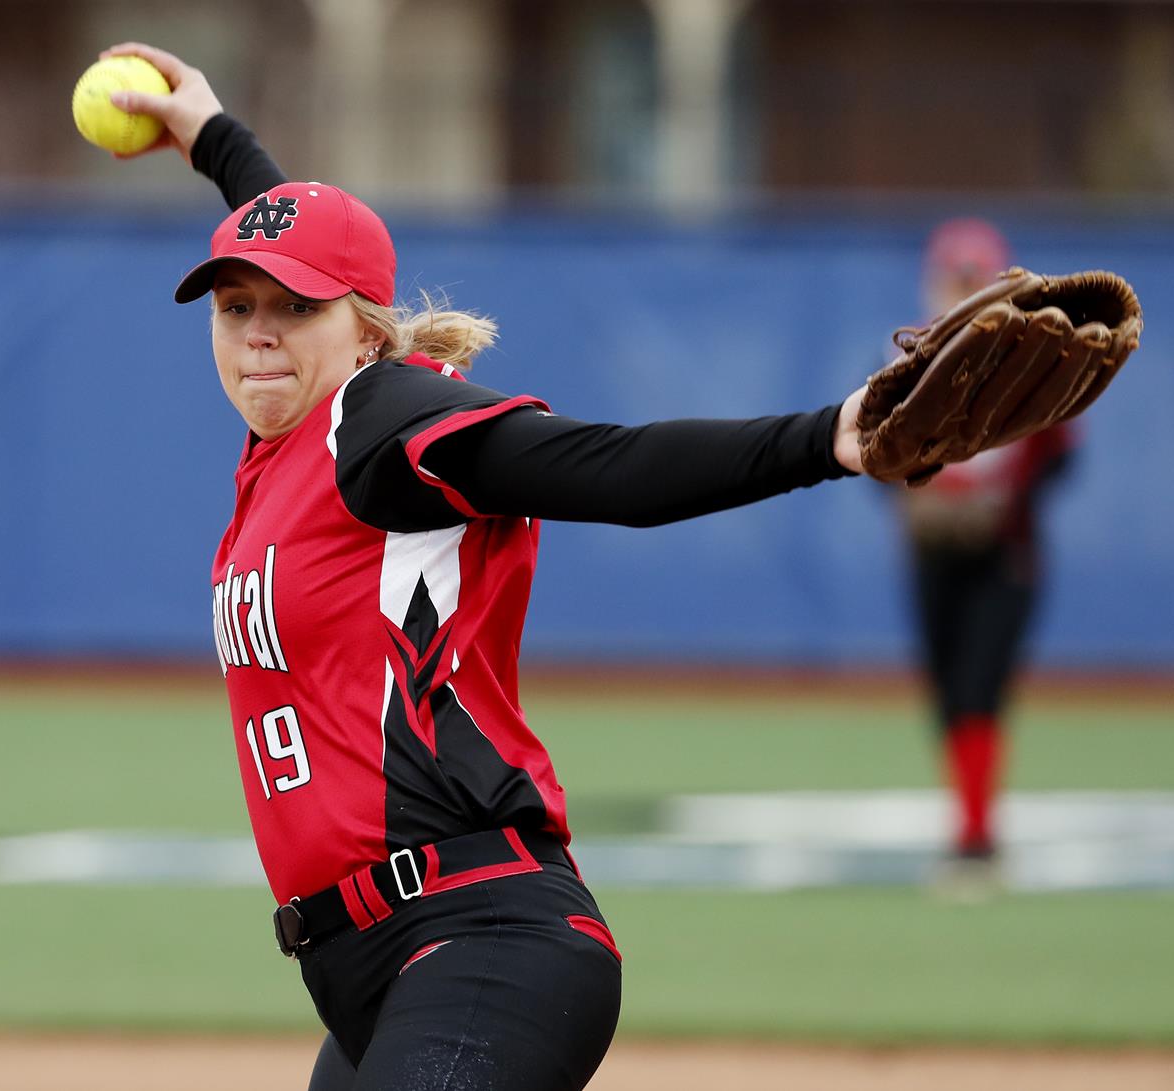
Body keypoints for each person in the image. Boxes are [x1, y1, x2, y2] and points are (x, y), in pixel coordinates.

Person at [102, 42, 870, 1091]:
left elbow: (615, 468)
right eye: (235, 308)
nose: (260, 333)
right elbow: (304, 236)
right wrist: (213, 138)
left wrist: (830, 438)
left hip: (484, 938)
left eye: (293, 309)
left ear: (365, 330)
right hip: (370, 973)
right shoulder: (288, 444)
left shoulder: (376, 421)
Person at [896, 219, 1077, 885]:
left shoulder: (1035, 361)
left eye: (976, 280)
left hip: (1005, 552)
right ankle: (970, 823)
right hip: (934, 553)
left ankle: (975, 836)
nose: (964, 292)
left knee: (979, 687)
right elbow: (873, 455)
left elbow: (1060, 456)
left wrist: (1003, 506)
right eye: (956, 279)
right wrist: (917, 499)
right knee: (949, 689)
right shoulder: (907, 361)